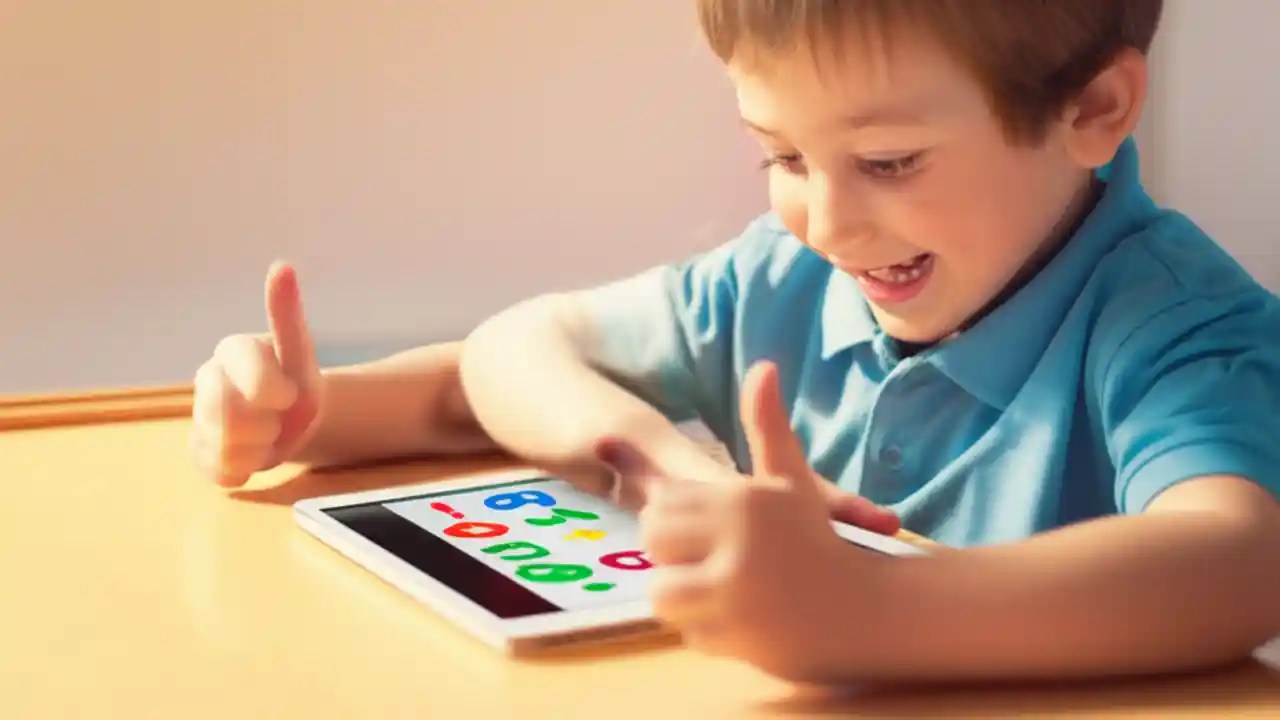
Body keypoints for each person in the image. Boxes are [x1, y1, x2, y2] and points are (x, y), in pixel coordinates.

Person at [190, 0, 1280, 684]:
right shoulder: (785, 277)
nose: (825, 221)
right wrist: (320, 415)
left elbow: (1237, 562)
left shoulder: (1176, 325)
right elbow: (505, 361)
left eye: (889, 161)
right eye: (781, 155)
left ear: (1092, 108)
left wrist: (870, 611)